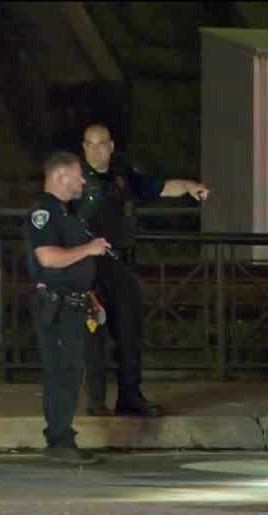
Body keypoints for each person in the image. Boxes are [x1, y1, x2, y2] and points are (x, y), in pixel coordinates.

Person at [76, 123, 209, 417]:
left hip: (121, 263)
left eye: (102, 144)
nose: (97, 151)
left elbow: (158, 187)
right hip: (88, 266)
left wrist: (188, 186)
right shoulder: (74, 181)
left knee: (129, 332)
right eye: (91, 145)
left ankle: (130, 396)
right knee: (93, 333)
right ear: (84, 147)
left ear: (111, 146)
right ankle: (96, 401)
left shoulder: (122, 174)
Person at [24, 151, 112, 465]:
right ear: (61, 177)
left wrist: (89, 295)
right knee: (62, 373)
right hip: (57, 307)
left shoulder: (66, 212)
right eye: (77, 175)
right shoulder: (44, 212)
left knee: (71, 373)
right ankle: (59, 441)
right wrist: (89, 248)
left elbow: (71, 263)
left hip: (73, 304)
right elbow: (47, 258)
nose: (82, 180)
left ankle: (63, 438)